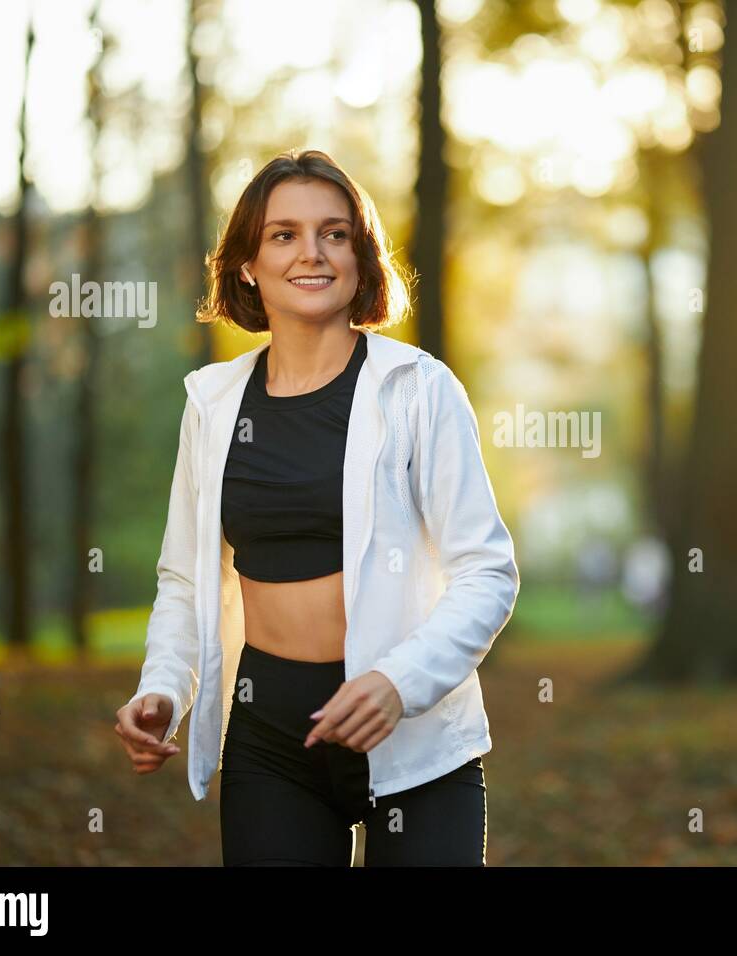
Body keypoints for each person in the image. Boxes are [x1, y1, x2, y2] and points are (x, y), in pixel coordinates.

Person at [113, 150, 519, 866]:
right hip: (271, 741)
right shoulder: (212, 404)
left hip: (415, 740)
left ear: (360, 257)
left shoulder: (418, 389)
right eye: (284, 234)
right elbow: (185, 578)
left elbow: (487, 572)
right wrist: (163, 689)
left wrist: (400, 682)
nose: (312, 252)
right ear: (246, 263)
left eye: (335, 233)